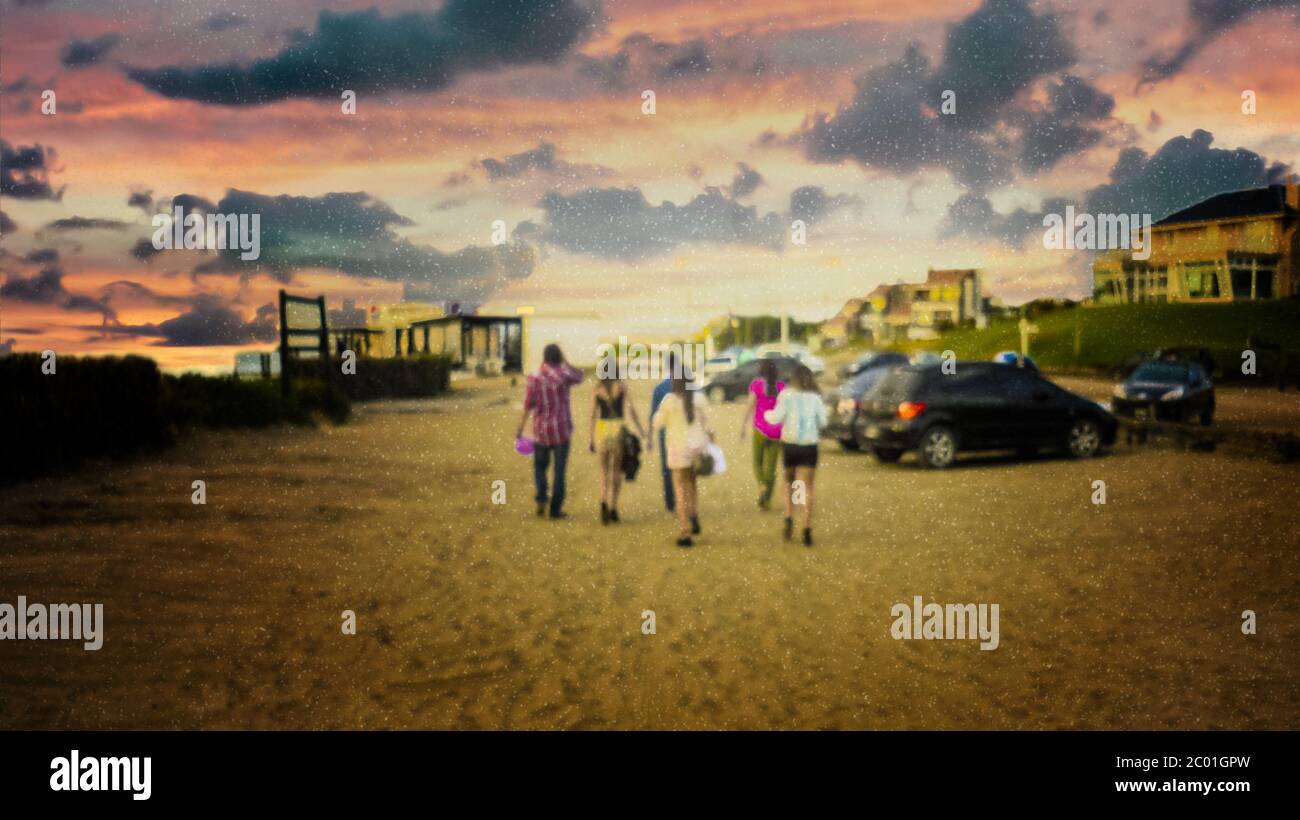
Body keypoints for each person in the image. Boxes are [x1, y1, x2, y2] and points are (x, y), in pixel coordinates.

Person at [517, 344, 583, 519]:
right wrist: (566, 362)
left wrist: (520, 429)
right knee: (559, 472)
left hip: (541, 432)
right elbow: (580, 376)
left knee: (539, 467)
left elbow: (527, 405)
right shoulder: (564, 375)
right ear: (558, 357)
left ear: (544, 357)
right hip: (561, 430)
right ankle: (555, 510)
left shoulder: (533, 378)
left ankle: (541, 497)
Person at [764, 364, 828, 546]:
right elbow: (823, 422)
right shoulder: (815, 398)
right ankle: (806, 527)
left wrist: (765, 414)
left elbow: (775, 418)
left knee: (790, 484)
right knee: (807, 487)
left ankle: (789, 517)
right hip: (809, 446)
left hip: (790, 445)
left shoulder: (786, 395)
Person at [649, 375, 713, 547]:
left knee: (679, 489)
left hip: (677, 449)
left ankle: (685, 532)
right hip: (695, 448)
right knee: (692, 484)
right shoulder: (698, 398)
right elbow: (708, 423)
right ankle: (694, 515)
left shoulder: (669, 400)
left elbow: (657, 423)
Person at [589, 374, 645, 524]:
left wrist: (591, 439)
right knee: (616, 470)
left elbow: (593, 415)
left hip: (602, 429)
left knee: (603, 471)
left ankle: (603, 501)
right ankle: (613, 507)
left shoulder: (597, 388)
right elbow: (632, 411)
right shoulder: (621, 387)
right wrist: (641, 429)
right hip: (617, 428)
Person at [739, 359, 784, 510]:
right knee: (771, 467)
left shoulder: (757, 385)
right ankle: (766, 501)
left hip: (760, 430)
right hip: (776, 432)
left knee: (757, 462)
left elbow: (749, 406)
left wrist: (743, 427)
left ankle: (762, 485)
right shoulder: (781, 386)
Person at [649, 352, 684, 514]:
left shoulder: (660, 388)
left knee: (667, 467)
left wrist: (649, 436)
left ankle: (670, 503)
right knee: (684, 466)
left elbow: (653, 416)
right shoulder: (687, 385)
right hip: (683, 431)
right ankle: (684, 500)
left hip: (666, 433)